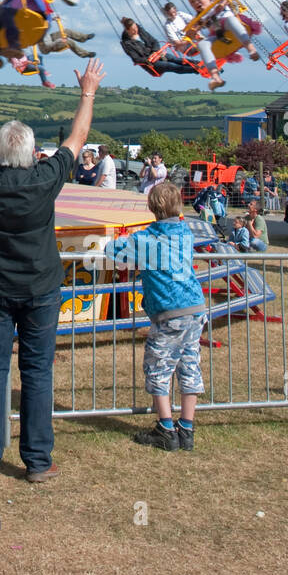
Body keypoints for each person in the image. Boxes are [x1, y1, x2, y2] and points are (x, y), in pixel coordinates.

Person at [0, 56, 105, 483]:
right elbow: (78, 136)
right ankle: (38, 460)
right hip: (41, 288)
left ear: (0, 152)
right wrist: (87, 91)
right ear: (31, 152)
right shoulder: (47, 177)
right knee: (37, 372)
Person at [105, 181, 205, 451]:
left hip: (168, 311)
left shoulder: (145, 240)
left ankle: (165, 427)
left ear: (151, 207)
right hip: (194, 307)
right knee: (189, 365)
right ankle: (187, 427)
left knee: (158, 367)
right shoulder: (185, 233)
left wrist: (126, 238)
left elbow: (111, 252)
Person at [185, 0, 260, 91]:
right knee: (202, 44)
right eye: (192, 2)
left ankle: (251, 49)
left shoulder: (217, 0)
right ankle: (215, 77)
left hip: (231, 27)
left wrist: (224, 3)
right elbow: (191, 32)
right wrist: (191, 33)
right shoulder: (200, 17)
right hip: (220, 37)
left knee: (230, 20)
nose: (196, 3)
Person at [119, 17, 200, 76]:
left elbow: (154, 41)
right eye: (133, 30)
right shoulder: (127, 43)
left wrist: (155, 51)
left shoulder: (140, 31)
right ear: (127, 30)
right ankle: (196, 70)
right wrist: (148, 59)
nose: (136, 30)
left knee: (174, 59)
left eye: (136, 27)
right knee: (171, 65)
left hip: (158, 54)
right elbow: (136, 58)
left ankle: (199, 64)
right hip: (151, 63)